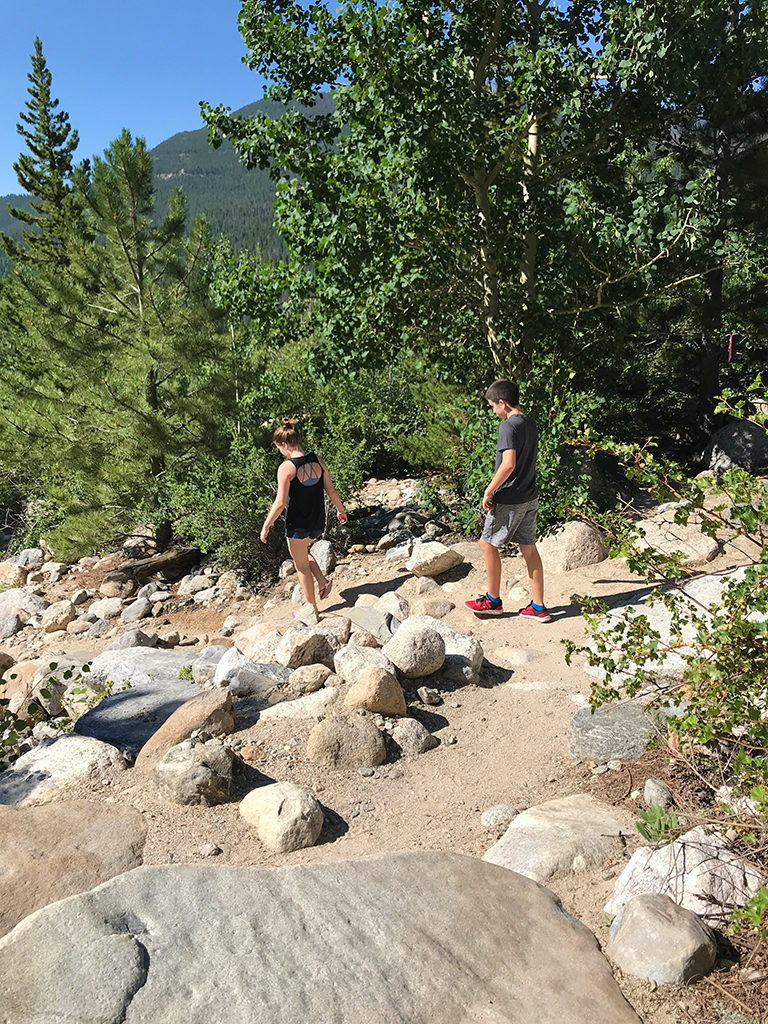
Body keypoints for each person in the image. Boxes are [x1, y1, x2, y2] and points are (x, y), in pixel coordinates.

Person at [465, 379, 551, 621]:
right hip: (529, 495)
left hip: (510, 497)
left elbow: (509, 463)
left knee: (487, 544)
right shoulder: (530, 422)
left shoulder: (508, 426)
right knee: (529, 548)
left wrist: (489, 490)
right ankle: (538, 606)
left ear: (503, 403)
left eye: (493, 406)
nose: (493, 411)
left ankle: (492, 600)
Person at [260, 418, 348, 610]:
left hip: (297, 522)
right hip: (316, 519)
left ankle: (311, 609)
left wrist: (266, 525)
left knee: (301, 566)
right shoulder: (318, 459)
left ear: (284, 445)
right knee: (301, 553)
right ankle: (323, 581)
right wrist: (340, 510)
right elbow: (331, 490)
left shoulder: (286, 467)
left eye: (279, 448)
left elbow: (280, 502)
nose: (280, 452)